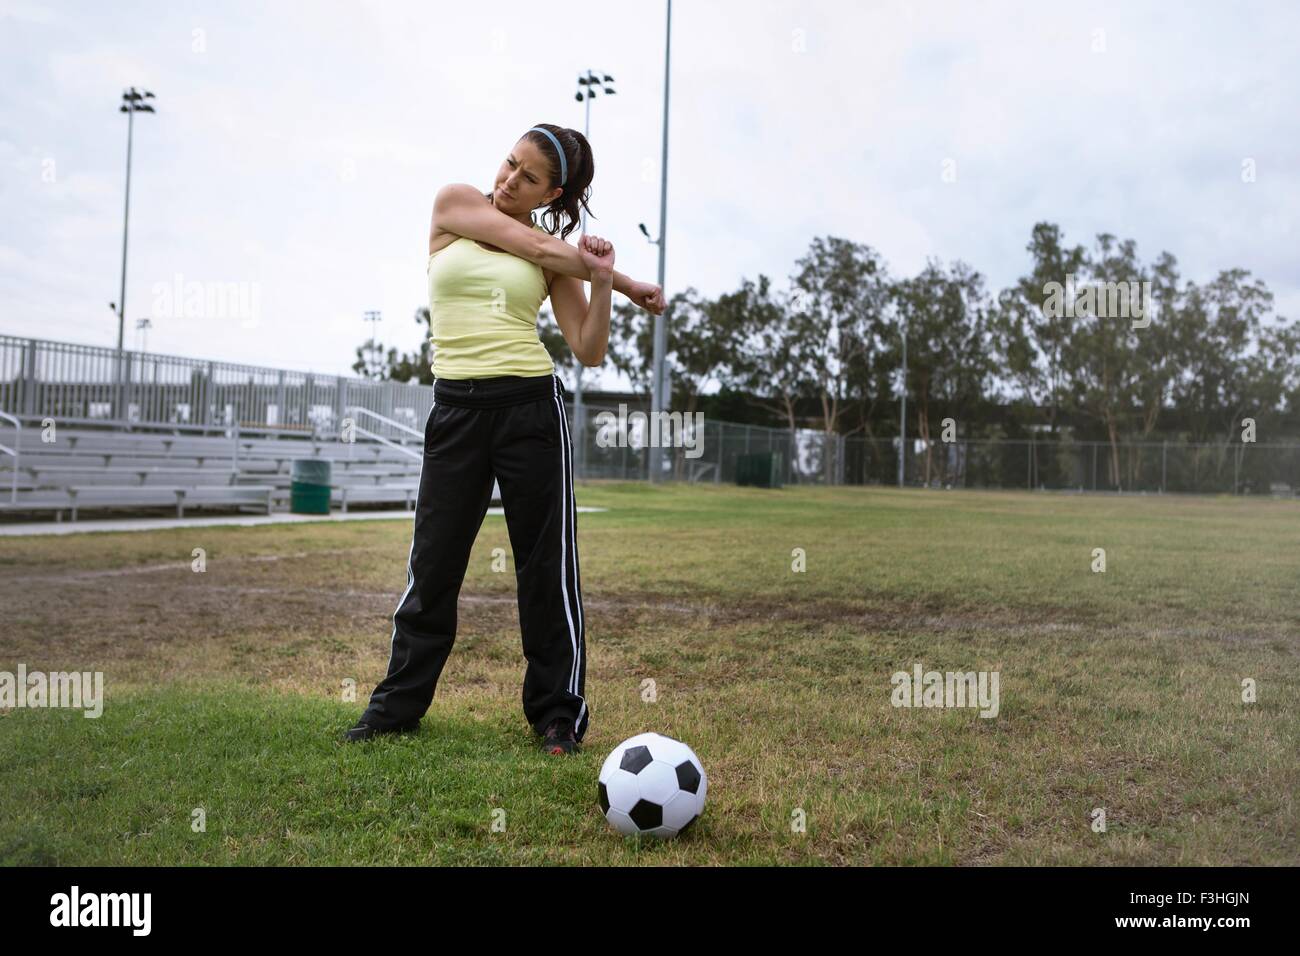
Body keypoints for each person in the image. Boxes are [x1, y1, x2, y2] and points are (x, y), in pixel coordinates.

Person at [344, 123, 665, 754]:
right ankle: (397, 707)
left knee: (545, 570)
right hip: (455, 410)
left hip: (529, 411)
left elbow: (589, 349)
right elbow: (538, 252)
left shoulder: (555, 252)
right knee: (432, 565)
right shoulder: (456, 205)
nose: (509, 181)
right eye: (509, 164)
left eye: (529, 179)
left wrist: (601, 286)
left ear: (554, 193)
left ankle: (557, 715)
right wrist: (626, 282)